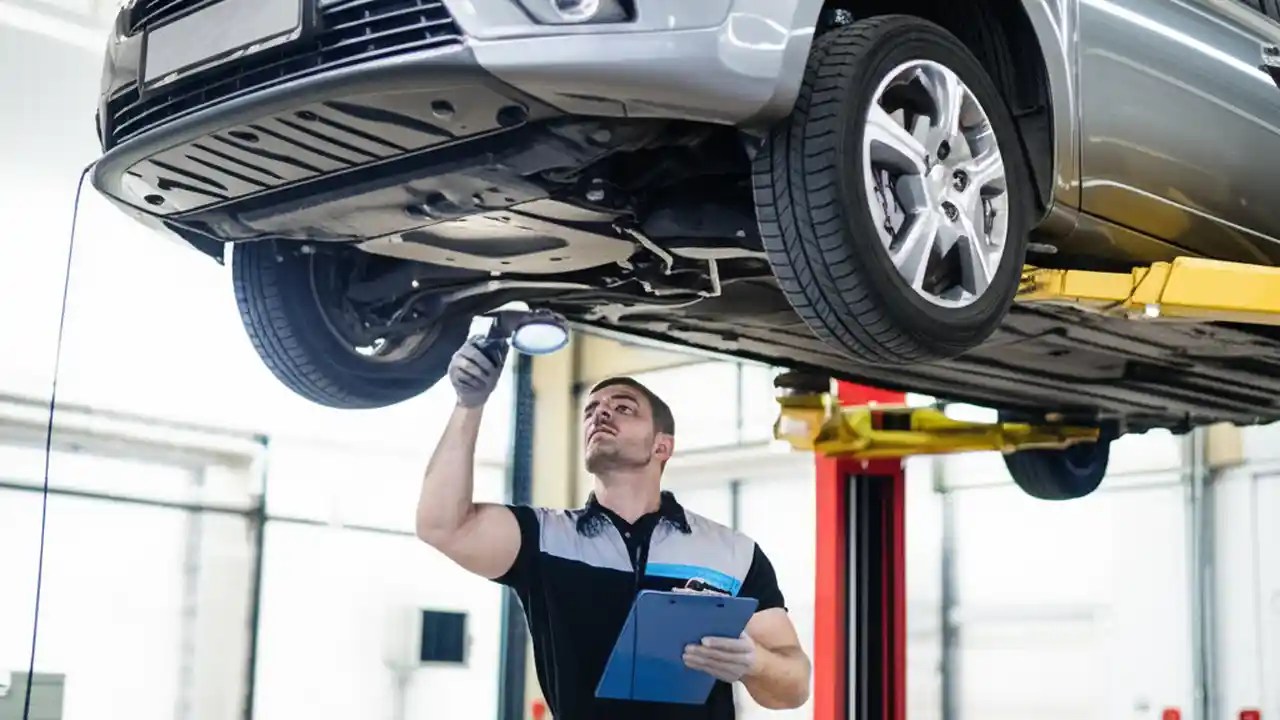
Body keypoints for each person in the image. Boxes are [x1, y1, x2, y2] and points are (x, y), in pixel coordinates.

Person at [415, 334, 811, 719]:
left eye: (623, 408)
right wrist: (470, 403)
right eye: (591, 410)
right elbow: (441, 525)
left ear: (661, 446)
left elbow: (794, 687)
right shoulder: (545, 539)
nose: (600, 413)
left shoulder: (731, 554)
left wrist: (753, 661)